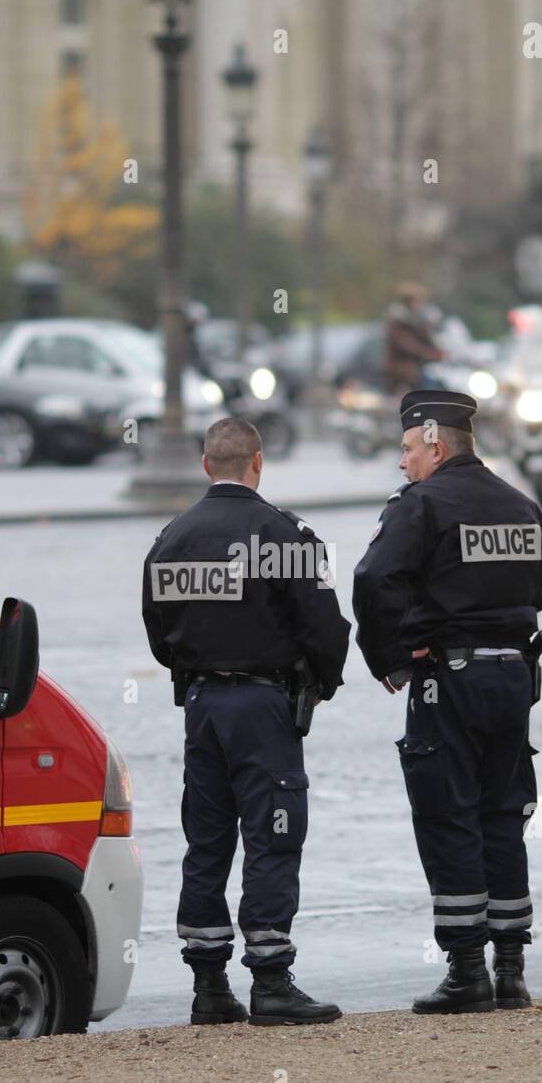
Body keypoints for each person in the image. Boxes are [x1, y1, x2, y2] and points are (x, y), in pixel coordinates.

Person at [352, 390, 542, 1014]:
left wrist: (392, 656)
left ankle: (468, 972)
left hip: (452, 679)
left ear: (436, 442)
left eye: (408, 448)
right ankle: (512, 970)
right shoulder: (520, 504)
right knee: (503, 813)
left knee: (449, 815)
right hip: (513, 677)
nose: (402, 462)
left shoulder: (422, 506)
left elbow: (372, 580)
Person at [142, 416, 350, 1026]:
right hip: (264, 707)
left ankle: (209, 986)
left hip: (202, 707)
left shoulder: (171, 538)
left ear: (207, 465)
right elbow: (326, 628)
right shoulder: (283, 535)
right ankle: (270, 980)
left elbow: (158, 632)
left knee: (206, 839)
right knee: (273, 836)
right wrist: (321, 685)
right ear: (257, 462)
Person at [383, 283, 444, 398]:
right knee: (428, 385)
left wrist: (439, 350)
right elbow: (405, 344)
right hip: (400, 365)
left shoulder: (417, 318)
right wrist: (427, 353)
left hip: (418, 363)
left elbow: (426, 338)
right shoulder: (397, 319)